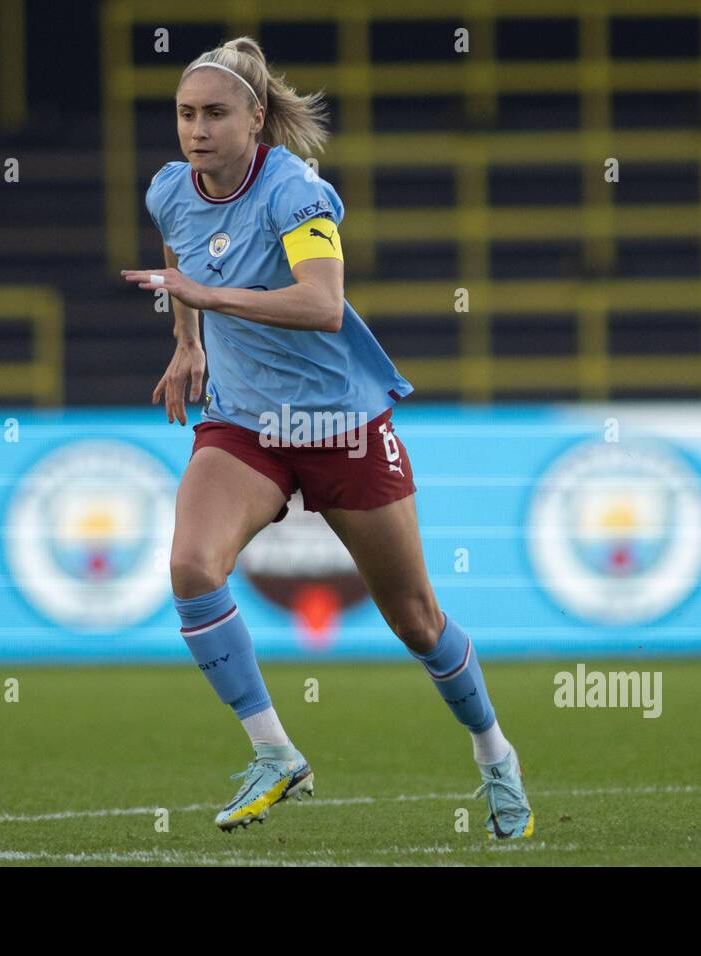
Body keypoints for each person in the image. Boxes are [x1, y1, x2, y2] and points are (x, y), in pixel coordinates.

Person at [121, 37, 534, 840]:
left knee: (416, 619)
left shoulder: (295, 192)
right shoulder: (171, 189)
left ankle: (494, 753)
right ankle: (275, 753)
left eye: (214, 113)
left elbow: (322, 304)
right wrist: (189, 340)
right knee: (190, 566)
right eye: (184, 114)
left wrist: (208, 295)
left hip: (338, 424)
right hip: (246, 423)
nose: (196, 130)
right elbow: (177, 253)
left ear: (255, 119)